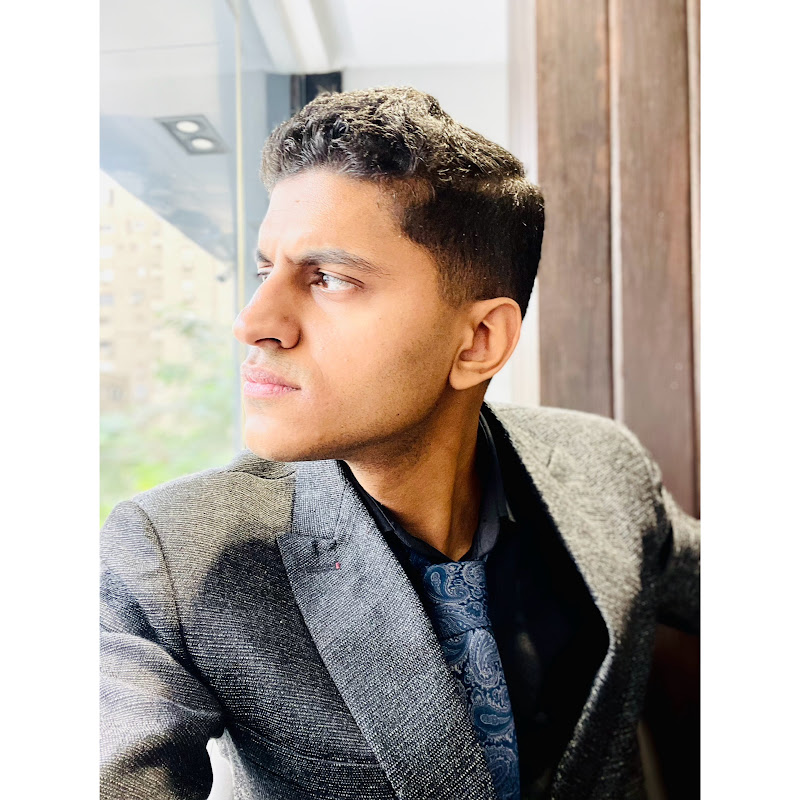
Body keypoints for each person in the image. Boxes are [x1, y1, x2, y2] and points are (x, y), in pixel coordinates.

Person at [100, 87, 700, 800]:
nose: (254, 322)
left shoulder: (604, 465)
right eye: (266, 271)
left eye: (329, 279)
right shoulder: (173, 554)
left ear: (479, 340)